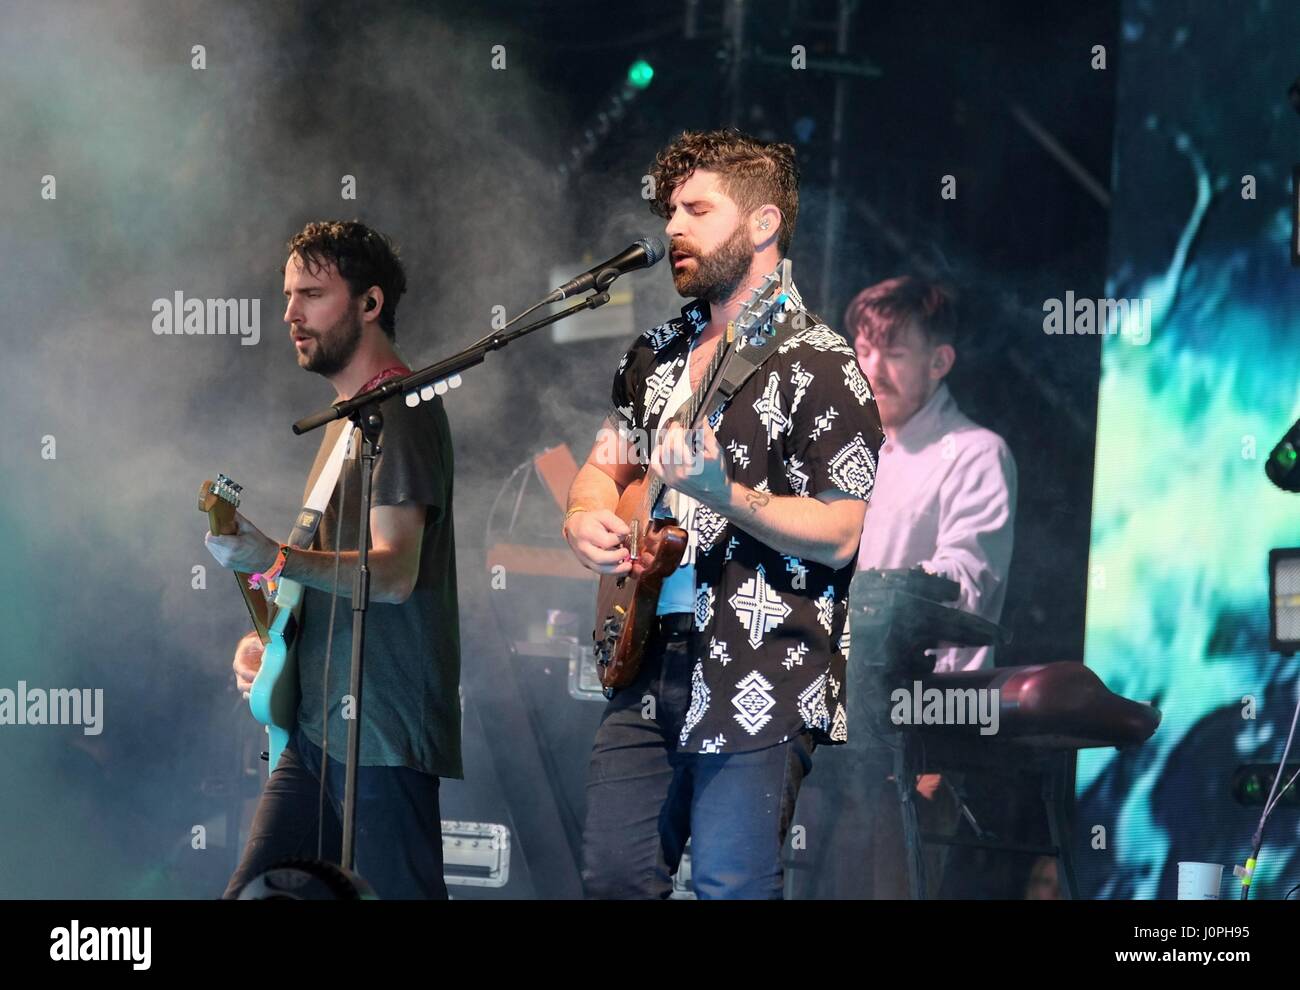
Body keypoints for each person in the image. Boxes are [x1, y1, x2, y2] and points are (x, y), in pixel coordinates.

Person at [563, 129, 885, 899]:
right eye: (670, 210)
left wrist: (724, 495)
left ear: (763, 224)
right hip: (645, 655)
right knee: (614, 879)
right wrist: (584, 515)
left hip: (761, 664)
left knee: (732, 887)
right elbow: (605, 466)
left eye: (697, 210)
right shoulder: (659, 352)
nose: (673, 227)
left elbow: (841, 534)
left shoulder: (823, 363)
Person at [205, 220, 461, 899]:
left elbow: (396, 573)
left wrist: (277, 557)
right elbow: (321, 572)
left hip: (377, 733)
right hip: (318, 729)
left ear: (370, 304)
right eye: (288, 295)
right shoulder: (344, 420)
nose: (290, 313)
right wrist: (272, 639)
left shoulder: (398, 409)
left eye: (312, 294)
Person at [798, 275, 1017, 898]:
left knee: (878, 885)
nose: (872, 367)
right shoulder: (845, 453)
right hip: (830, 708)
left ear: (940, 361)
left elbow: (967, 585)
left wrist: (876, 593)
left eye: (893, 352)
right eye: (864, 349)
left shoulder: (977, 453)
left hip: (925, 721)